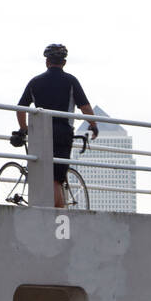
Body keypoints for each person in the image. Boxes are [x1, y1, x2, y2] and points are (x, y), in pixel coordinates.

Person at [13, 44, 98, 208]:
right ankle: (58, 216)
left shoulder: (35, 82)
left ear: (47, 62)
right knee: (56, 178)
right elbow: (85, 107)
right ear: (64, 62)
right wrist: (93, 125)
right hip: (62, 133)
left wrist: (24, 129)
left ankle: (48, 209)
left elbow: (20, 108)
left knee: (42, 173)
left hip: (38, 134)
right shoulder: (71, 81)